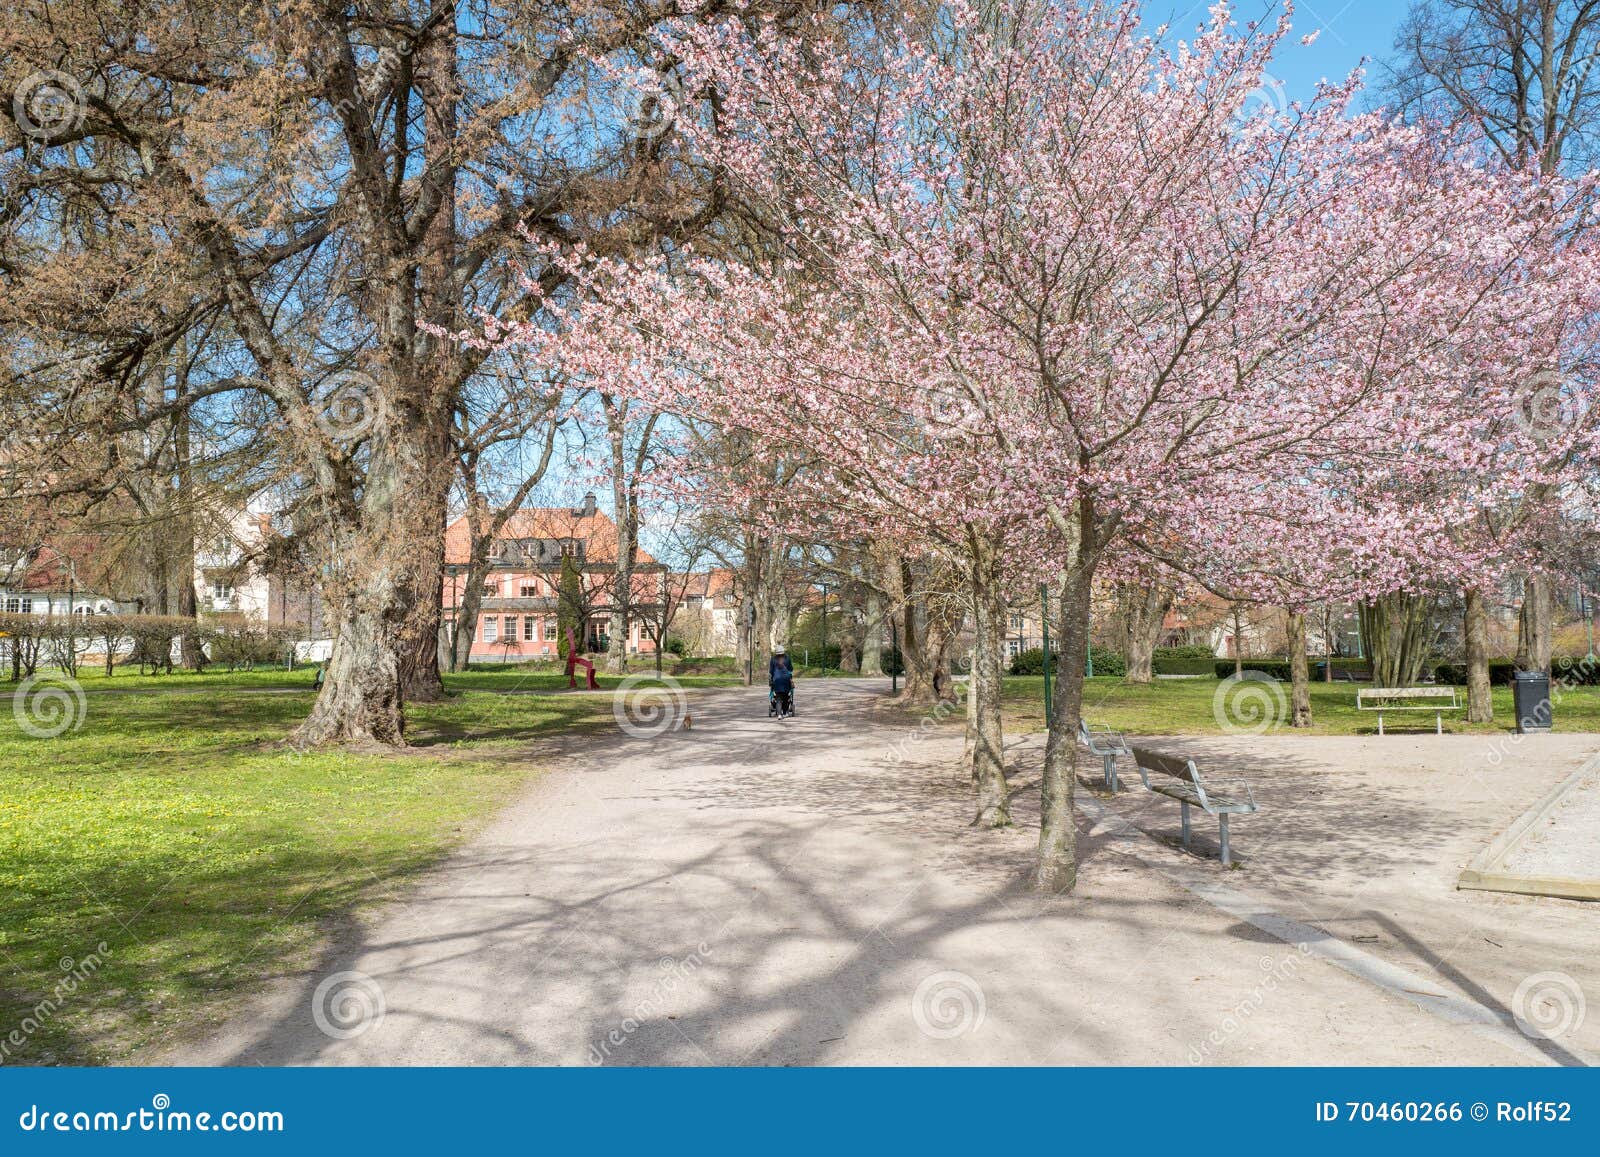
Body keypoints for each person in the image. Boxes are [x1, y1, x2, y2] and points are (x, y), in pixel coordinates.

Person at [768, 646, 794, 717]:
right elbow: (791, 669)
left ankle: (779, 714)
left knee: (778, 697)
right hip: (786, 680)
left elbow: (771, 671)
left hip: (777, 680)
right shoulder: (787, 658)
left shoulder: (773, 659)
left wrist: (771, 679)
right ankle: (785, 712)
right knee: (786, 697)